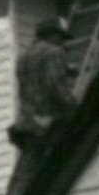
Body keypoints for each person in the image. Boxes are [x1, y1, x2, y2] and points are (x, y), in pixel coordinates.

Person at [10, 14, 80, 169]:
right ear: (52, 34)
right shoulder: (54, 52)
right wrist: (74, 106)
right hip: (49, 122)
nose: (62, 42)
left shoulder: (23, 56)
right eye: (61, 37)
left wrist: (66, 69)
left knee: (30, 170)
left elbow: (36, 76)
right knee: (60, 166)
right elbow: (55, 86)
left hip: (28, 123)